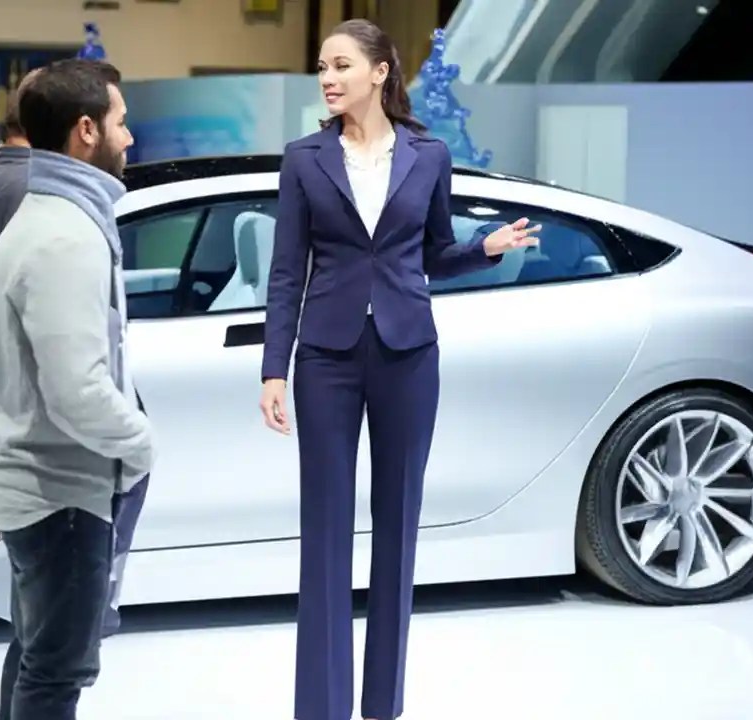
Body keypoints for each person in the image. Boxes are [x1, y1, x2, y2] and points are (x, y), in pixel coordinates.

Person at [258, 19, 540, 720]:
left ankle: (382, 707)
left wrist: (486, 248)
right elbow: (287, 272)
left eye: (342, 64)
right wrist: (273, 368)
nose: (328, 77)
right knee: (323, 532)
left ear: (380, 72)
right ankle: (320, 709)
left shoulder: (430, 154)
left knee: (399, 529)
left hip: (409, 355)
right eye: (322, 66)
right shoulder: (303, 159)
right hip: (325, 357)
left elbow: (435, 254)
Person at [0, 57, 151, 720]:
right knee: (54, 674)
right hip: (61, 495)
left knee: (34, 657)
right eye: (121, 122)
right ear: (86, 130)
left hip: (40, 489)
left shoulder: (44, 219)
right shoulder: (66, 237)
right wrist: (139, 444)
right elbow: (77, 391)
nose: (130, 137)